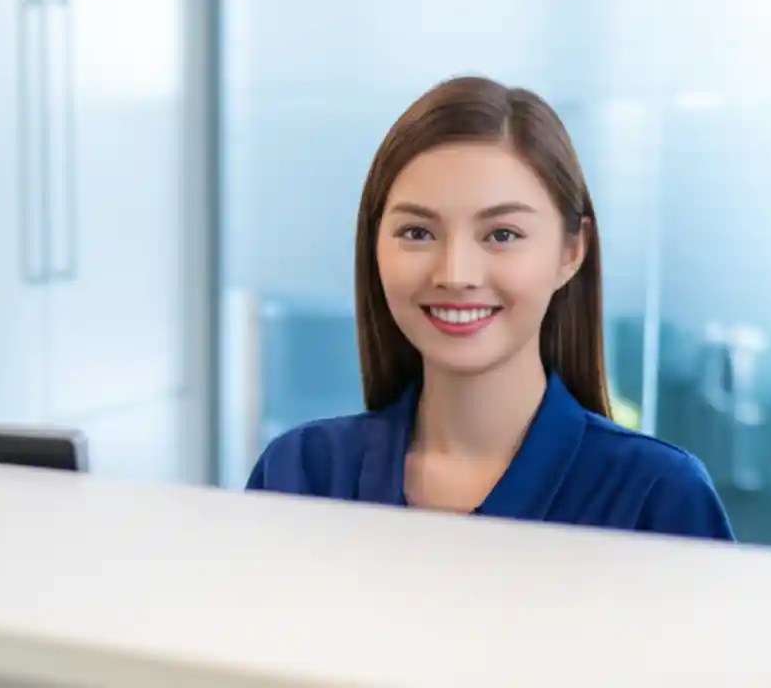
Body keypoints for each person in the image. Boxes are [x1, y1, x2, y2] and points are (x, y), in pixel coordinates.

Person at [247, 76, 733, 540]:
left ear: (571, 252)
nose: (456, 273)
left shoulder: (657, 496)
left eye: (502, 235)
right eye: (417, 233)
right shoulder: (301, 474)